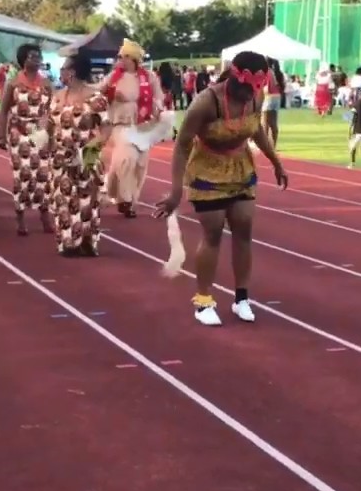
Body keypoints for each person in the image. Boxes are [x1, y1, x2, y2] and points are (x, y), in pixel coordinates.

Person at [154, 50, 288, 327]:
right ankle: (203, 301)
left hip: (241, 169)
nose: (249, 95)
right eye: (246, 89)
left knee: (243, 230)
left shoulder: (255, 97)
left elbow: (257, 131)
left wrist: (276, 162)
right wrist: (176, 191)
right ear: (235, 79)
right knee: (213, 234)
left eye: (255, 89)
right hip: (207, 172)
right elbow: (182, 146)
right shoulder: (206, 102)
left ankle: (241, 299)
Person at [50, 54, 111, 256]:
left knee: (87, 202)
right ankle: (68, 242)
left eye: (64, 68)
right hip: (60, 157)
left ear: (73, 72)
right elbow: (50, 124)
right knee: (63, 200)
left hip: (86, 156)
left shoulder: (96, 98)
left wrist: (90, 150)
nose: (61, 72)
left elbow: (106, 129)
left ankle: (87, 240)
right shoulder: (57, 96)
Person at [102, 39, 164, 218]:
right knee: (127, 158)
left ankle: (122, 194)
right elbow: (99, 90)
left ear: (134, 59)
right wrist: (108, 93)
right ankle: (125, 200)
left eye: (125, 56)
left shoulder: (149, 77)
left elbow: (158, 96)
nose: (121, 59)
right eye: (120, 56)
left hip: (143, 125)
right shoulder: (114, 77)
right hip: (121, 125)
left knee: (139, 164)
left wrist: (158, 107)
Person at [0, 43, 55, 236]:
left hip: (40, 134)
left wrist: (51, 134)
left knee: (43, 175)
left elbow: (52, 111)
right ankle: (20, 217)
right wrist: (0, 135)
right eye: (32, 56)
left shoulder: (47, 83)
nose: (36, 59)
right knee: (22, 175)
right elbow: (4, 110)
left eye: (38, 56)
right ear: (23, 59)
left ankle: (44, 215)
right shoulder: (13, 82)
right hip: (19, 133)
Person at [261, 57, 285, 147]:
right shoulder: (277, 73)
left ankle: (265, 146)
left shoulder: (266, 72)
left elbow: (266, 88)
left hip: (268, 97)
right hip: (277, 97)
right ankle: (273, 145)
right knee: (273, 123)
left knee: (264, 123)